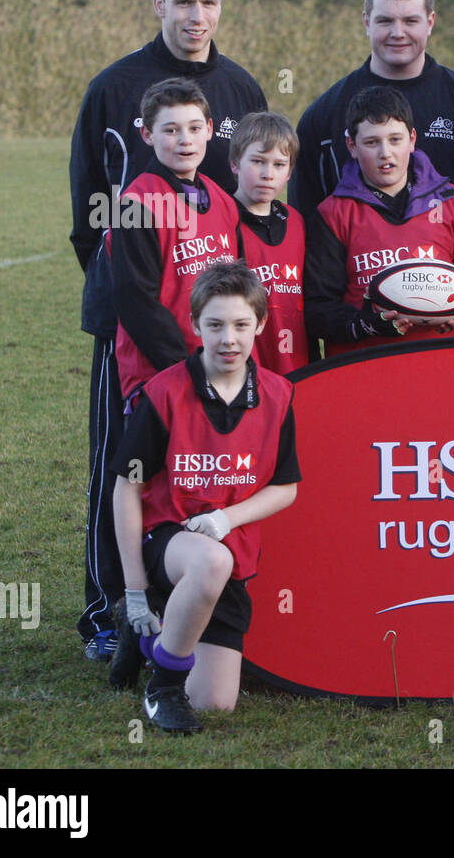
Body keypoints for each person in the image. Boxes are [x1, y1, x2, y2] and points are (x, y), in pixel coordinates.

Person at [69, 0, 266, 660]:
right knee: (121, 466)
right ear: (159, 4)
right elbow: (89, 213)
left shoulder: (241, 90)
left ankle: (188, 607)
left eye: (208, 2)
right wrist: (127, 299)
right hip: (134, 326)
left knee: (201, 471)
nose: (196, 16)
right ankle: (106, 612)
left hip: (213, 337)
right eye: (183, 2)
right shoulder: (114, 89)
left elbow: (247, 203)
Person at [109, 262, 300, 733]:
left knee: (216, 703)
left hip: (227, 551)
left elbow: (285, 487)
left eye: (240, 325)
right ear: (195, 326)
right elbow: (126, 487)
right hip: (168, 544)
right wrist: (133, 587)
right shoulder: (165, 391)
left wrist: (227, 519)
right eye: (214, 325)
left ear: (260, 324)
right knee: (209, 562)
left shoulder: (279, 395)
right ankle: (163, 688)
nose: (228, 339)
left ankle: (149, 640)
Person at [305, 86, 454, 352]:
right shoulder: (332, 214)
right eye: (371, 142)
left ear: (412, 140)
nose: (385, 153)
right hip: (362, 368)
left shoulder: (452, 201)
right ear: (351, 146)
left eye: (395, 140)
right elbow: (317, 308)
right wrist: (366, 324)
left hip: (442, 364)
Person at [291, 0, 454, 216]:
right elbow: (304, 219)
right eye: (385, 21)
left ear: (430, 23)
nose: (398, 33)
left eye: (410, 21)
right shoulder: (322, 118)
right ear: (367, 22)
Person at [111, 79, 243, 400]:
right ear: (147, 134)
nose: (186, 141)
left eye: (195, 128)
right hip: (161, 376)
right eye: (171, 131)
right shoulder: (135, 205)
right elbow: (137, 303)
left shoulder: (224, 201)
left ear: (210, 129)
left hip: (218, 367)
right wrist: (190, 368)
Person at [230, 112, 313, 373]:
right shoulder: (222, 219)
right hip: (242, 368)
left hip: (297, 365)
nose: (268, 174)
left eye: (279, 165)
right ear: (235, 162)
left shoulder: (297, 223)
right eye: (257, 161)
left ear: (290, 171)